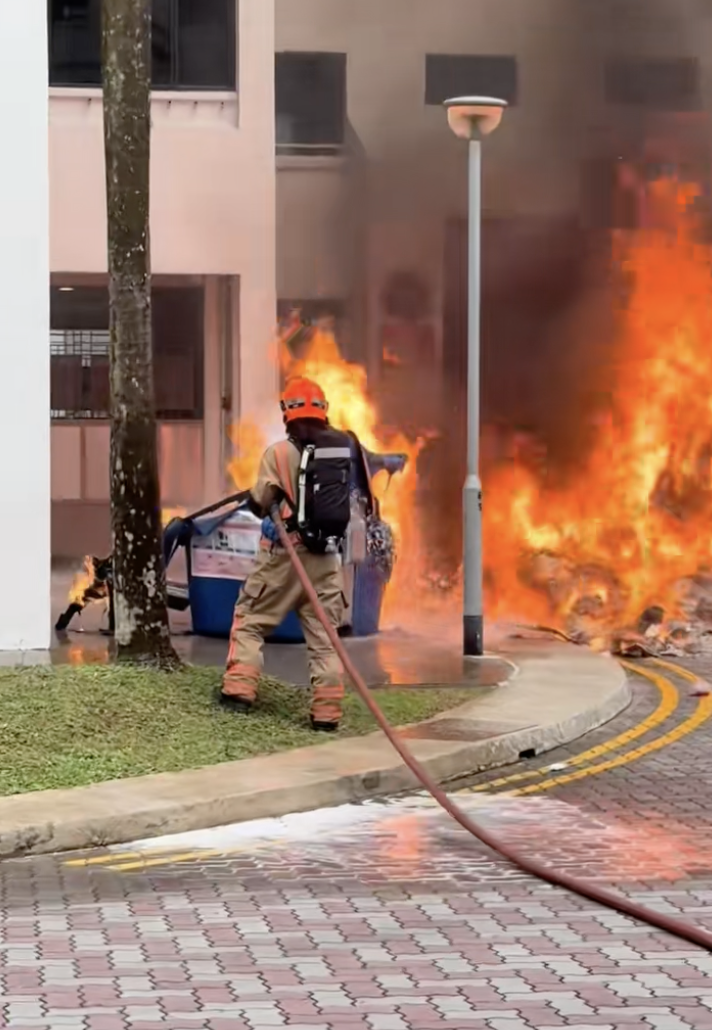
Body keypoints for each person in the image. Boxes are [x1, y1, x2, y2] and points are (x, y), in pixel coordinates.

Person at [221, 377, 350, 731]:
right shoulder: (339, 453)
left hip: (284, 556)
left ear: (287, 414)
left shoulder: (278, 453)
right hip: (326, 559)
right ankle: (327, 714)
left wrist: (257, 499)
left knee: (249, 619)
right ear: (324, 411)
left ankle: (238, 691)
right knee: (325, 638)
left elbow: (262, 499)